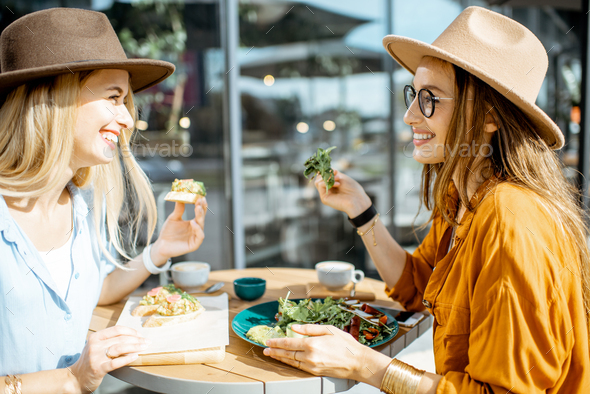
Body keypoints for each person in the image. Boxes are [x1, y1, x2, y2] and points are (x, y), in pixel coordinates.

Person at [265, 6, 590, 393]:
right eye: (413, 95)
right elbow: (419, 287)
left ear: (489, 115)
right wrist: (361, 211)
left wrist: (362, 364)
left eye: (430, 99)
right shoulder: (464, 198)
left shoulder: (510, 220)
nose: (409, 116)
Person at [0, 8, 207, 393]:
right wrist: (71, 380)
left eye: (126, 101)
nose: (128, 119)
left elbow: (94, 290)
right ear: (53, 98)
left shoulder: (78, 203)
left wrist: (161, 249)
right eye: (114, 97)